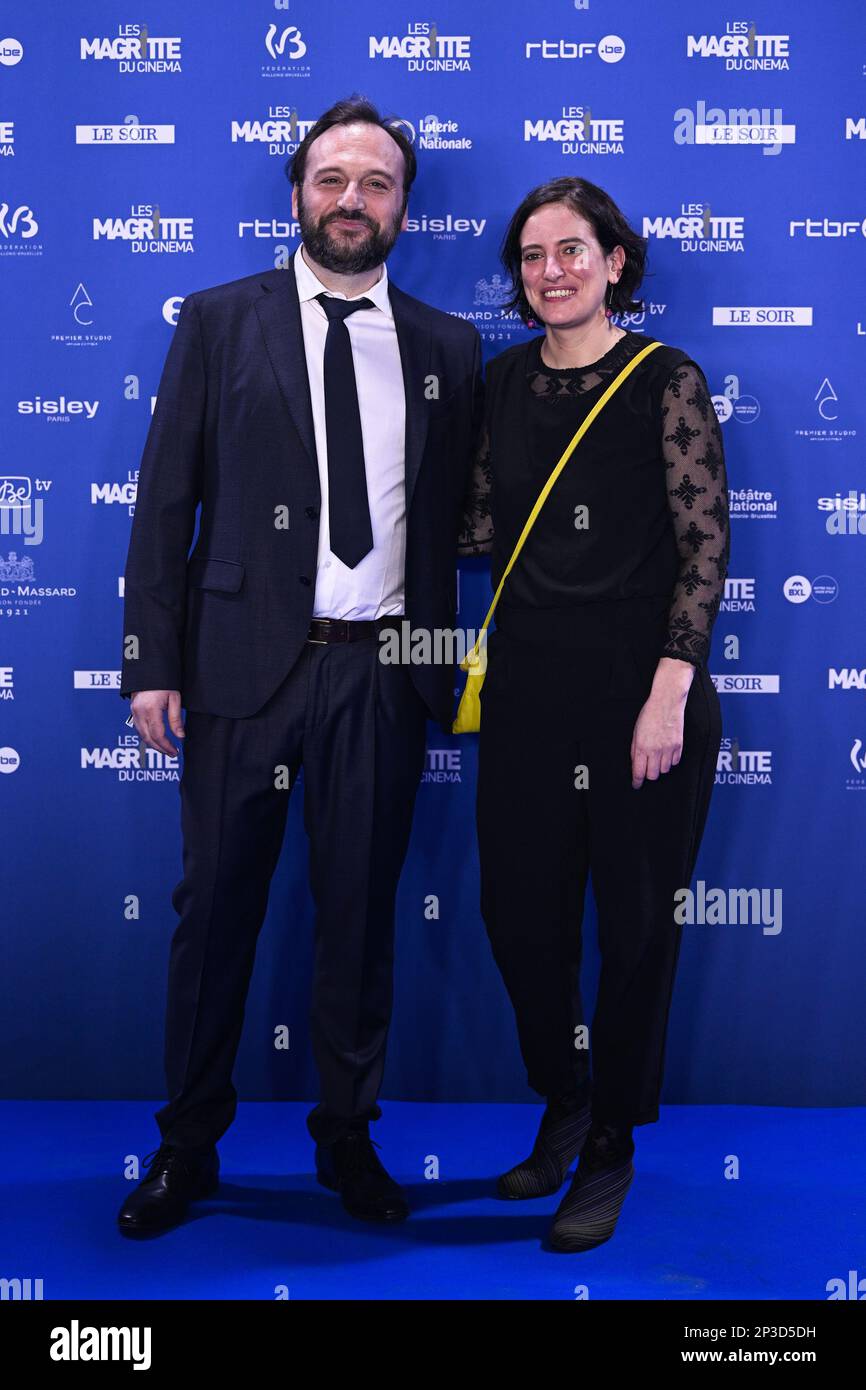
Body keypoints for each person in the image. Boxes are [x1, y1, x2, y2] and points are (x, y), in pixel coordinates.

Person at [116, 95, 483, 1235]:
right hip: (235, 671)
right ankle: (186, 1147)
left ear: (403, 209)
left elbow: (458, 522)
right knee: (213, 911)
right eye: (331, 180)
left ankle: (347, 1141)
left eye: (375, 184)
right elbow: (165, 497)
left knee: (356, 920)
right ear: (295, 195)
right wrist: (149, 661)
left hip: (379, 675)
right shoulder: (221, 319)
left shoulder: (446, 346)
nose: (351, 201)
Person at [458, 176, 729, 1252]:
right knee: (517, 919)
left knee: (630, 932)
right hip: (526, 691)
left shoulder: (666, 379)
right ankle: (562, 1097)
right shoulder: (499, 383)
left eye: (572, 249)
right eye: (531, 256)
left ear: (615, 260)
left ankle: (610, 1140)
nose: (550, 271)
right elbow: (476, 527)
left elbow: (704, 543)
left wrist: (669, 688)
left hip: (640, 697)